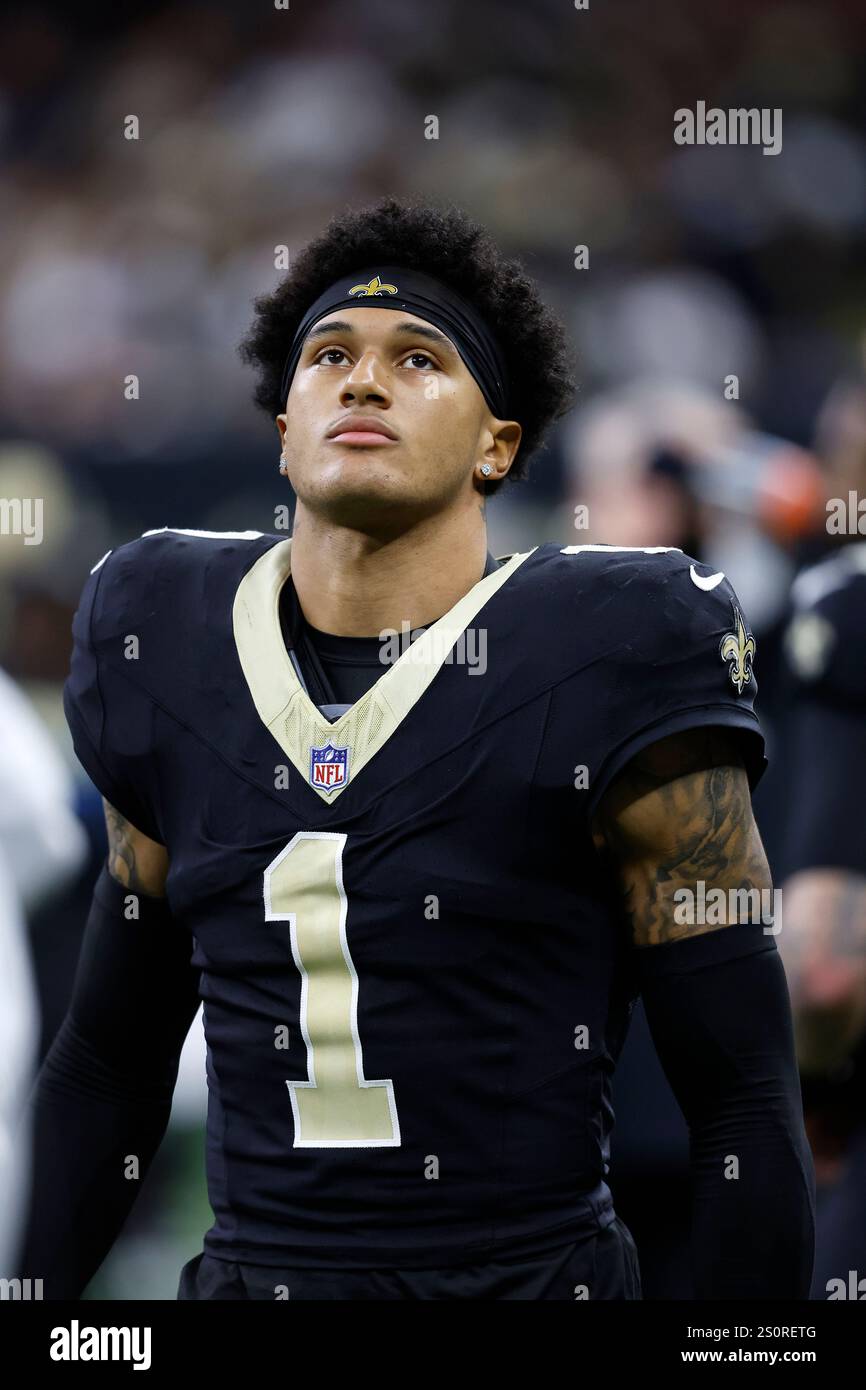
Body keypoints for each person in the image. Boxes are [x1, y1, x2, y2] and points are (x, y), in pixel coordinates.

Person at [18, 197, 814, 1301]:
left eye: (420, 358)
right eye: (330, 354)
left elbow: (740, 1095)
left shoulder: (613, 640)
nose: (362, 378)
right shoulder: (163, 628)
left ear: (499, 442)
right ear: (283, 428)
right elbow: (109, 1059)